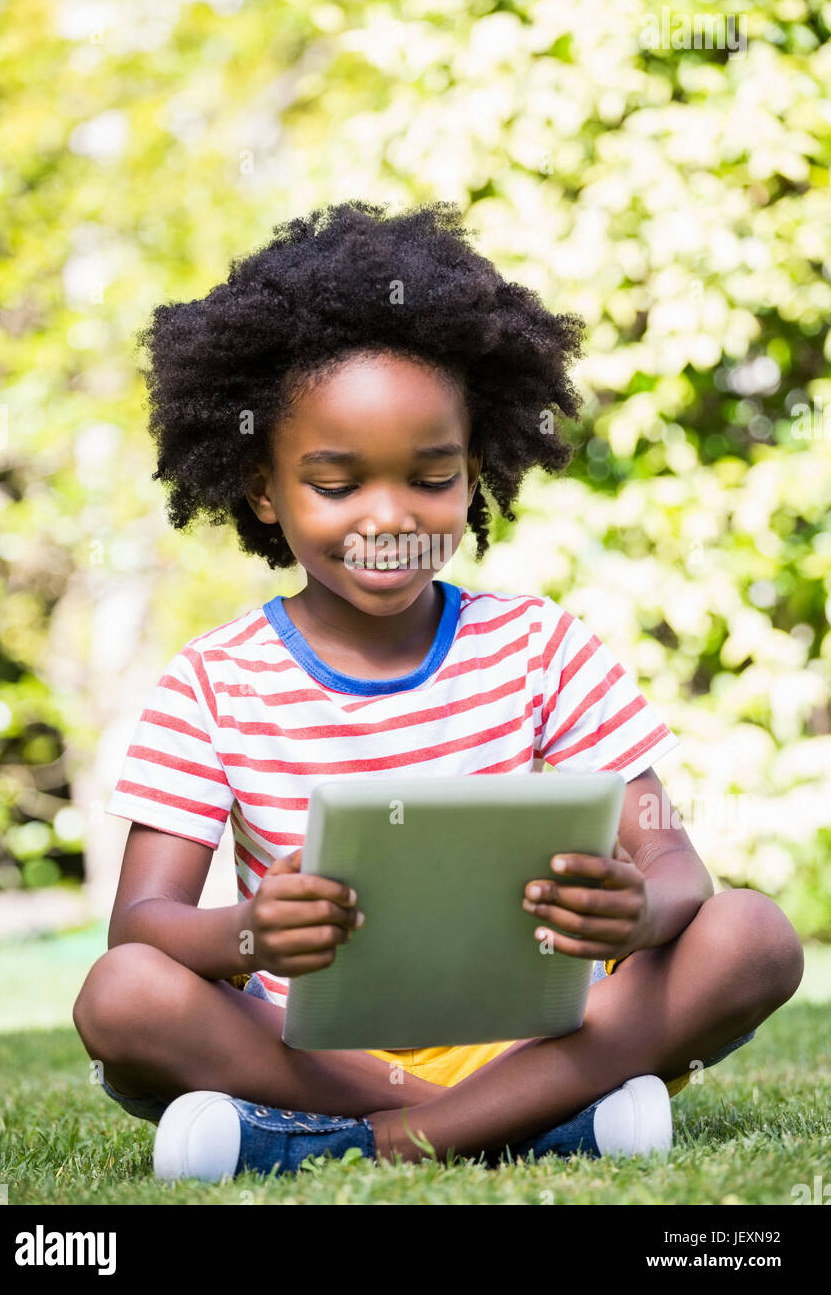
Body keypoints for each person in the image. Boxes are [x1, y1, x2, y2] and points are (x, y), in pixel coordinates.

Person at [72, 201, 803, 1182]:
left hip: (532, 1029)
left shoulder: (540, 647)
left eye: (430, 475)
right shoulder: (212, 682)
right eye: (335, 484)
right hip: (319, 1049)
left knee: (751, 932)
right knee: (120, 994)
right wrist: (246, 930)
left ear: (475, 471)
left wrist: (636, 914)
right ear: (261, 487)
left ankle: (377, 1142)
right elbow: (143, 927)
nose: (388, 516)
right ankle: (545, 1117)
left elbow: (675, 867)